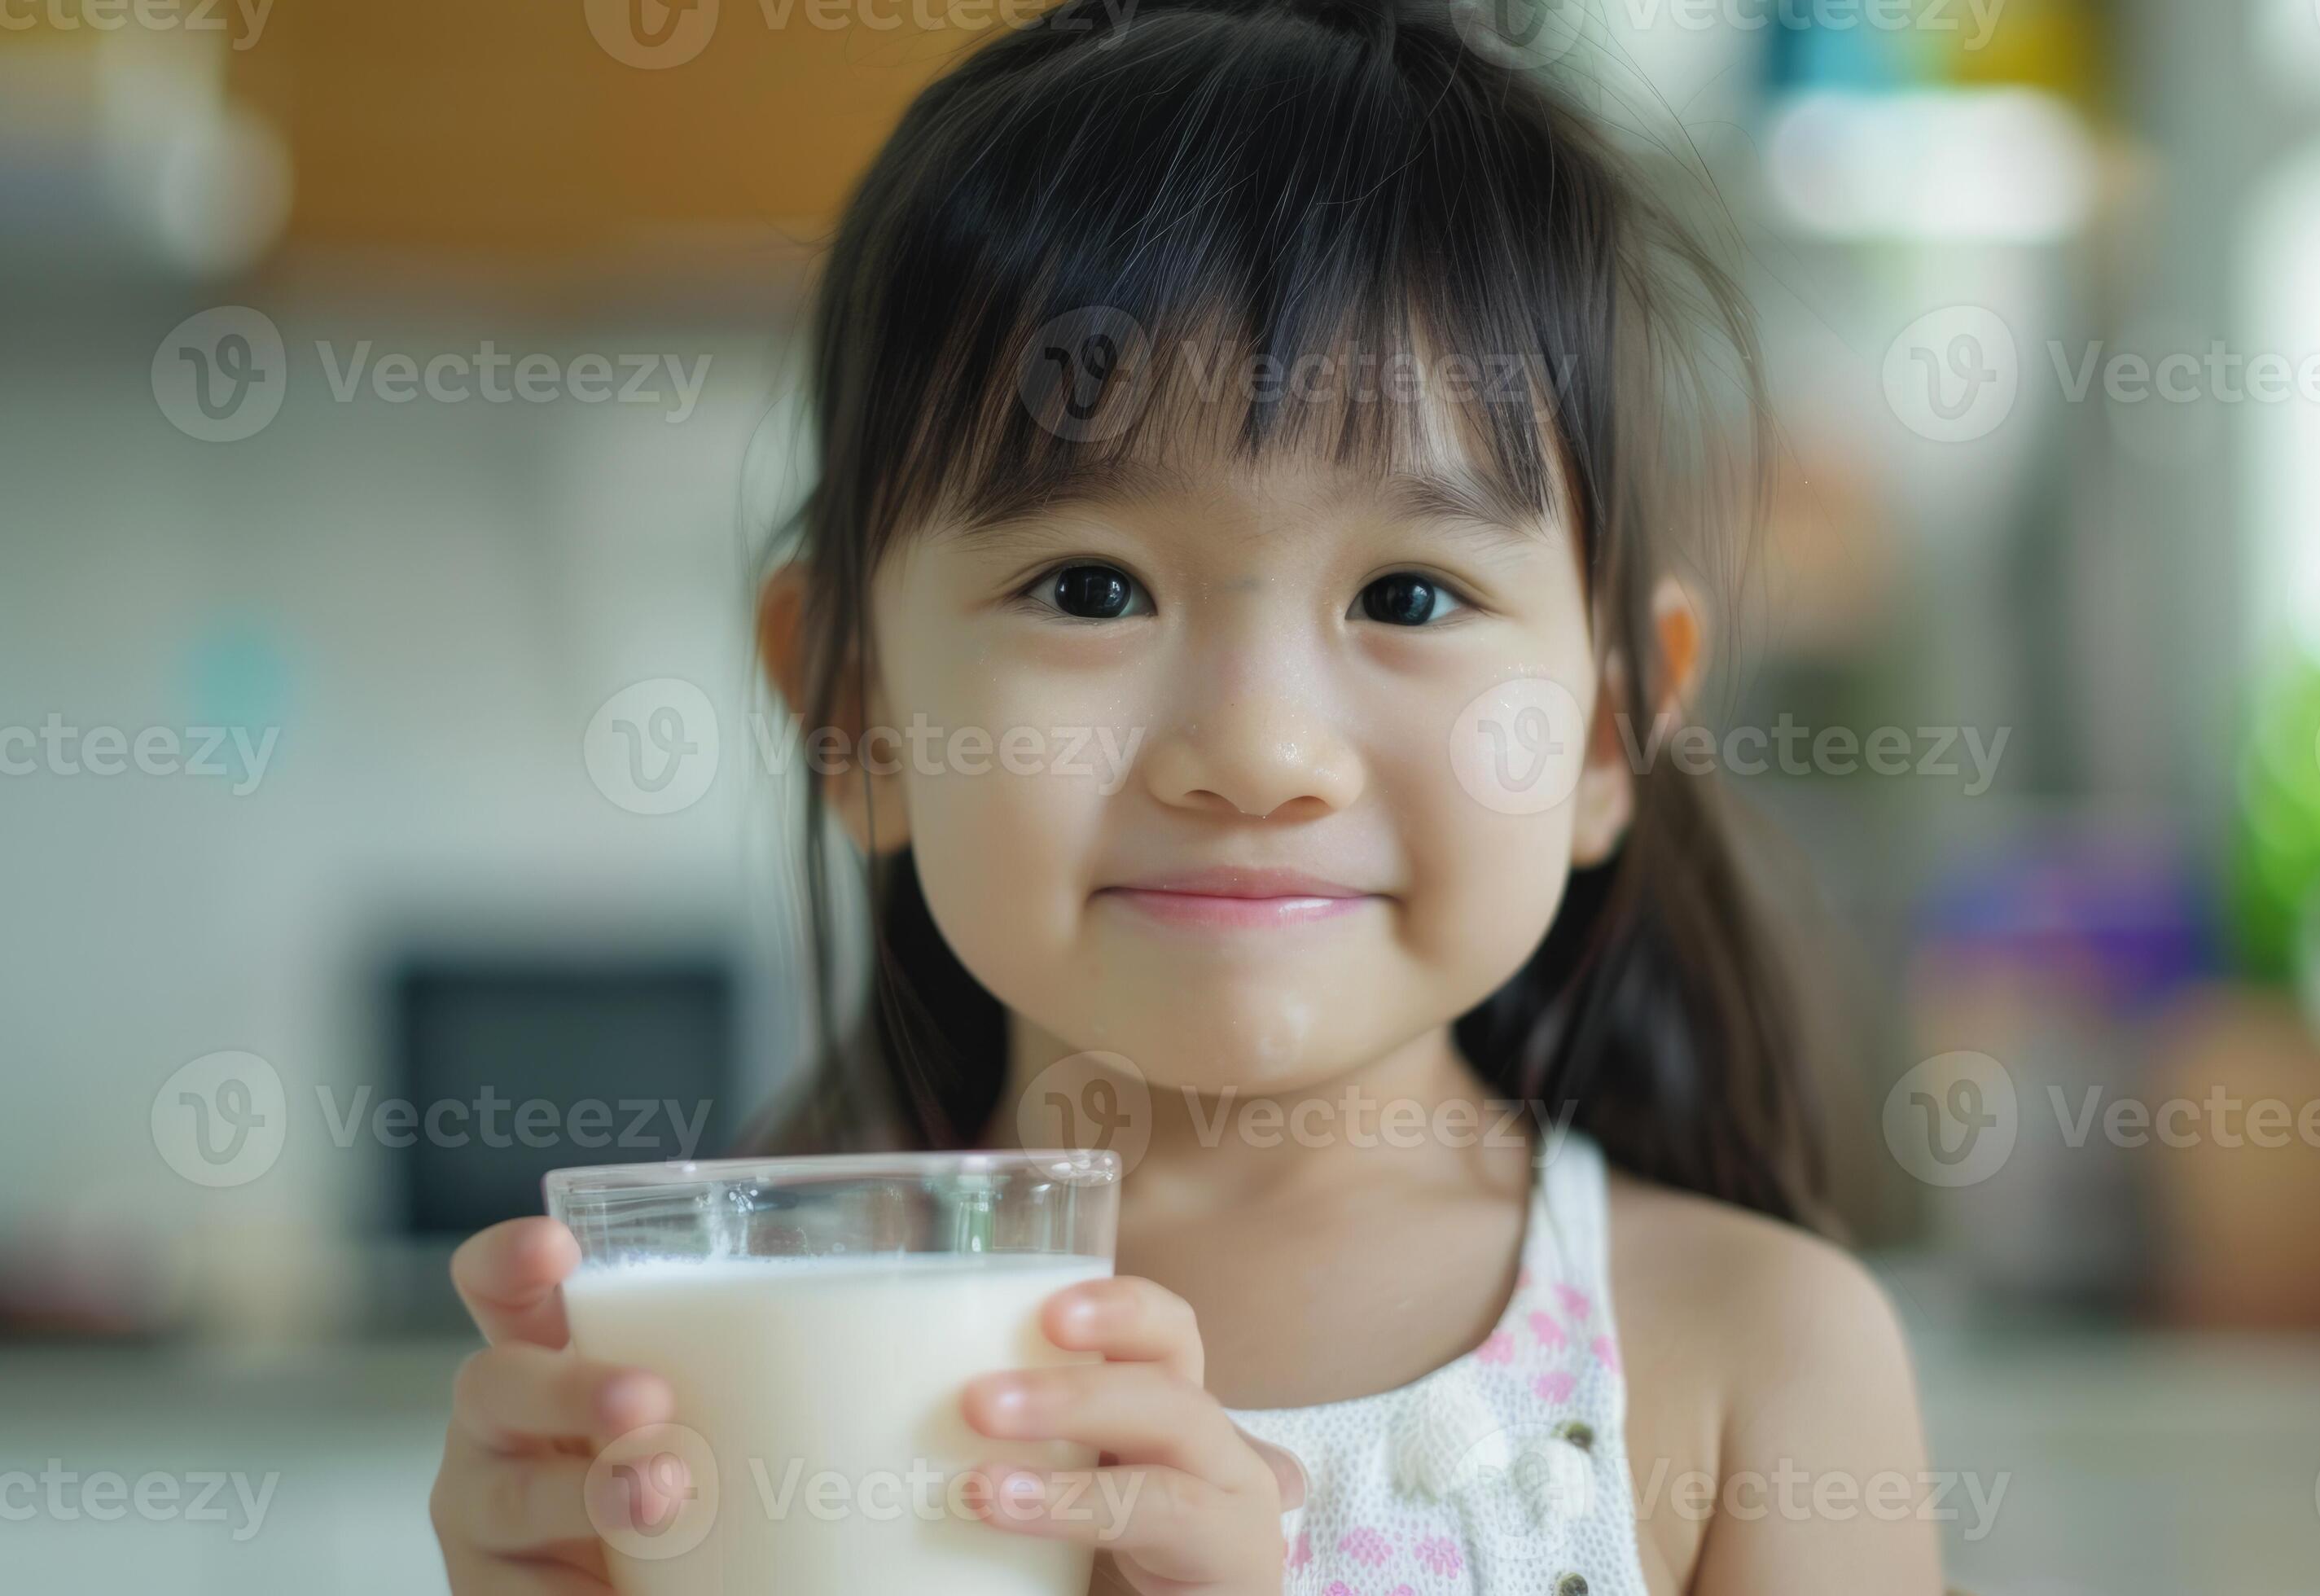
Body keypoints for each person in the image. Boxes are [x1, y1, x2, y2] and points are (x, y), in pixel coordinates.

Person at [431, 2, 1942, 1589]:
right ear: (856, 707)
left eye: (1412, 596)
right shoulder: (734, 1372)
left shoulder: (1756, 1359)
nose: (1258, 748)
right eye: (1088, 585)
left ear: (1604, 738)